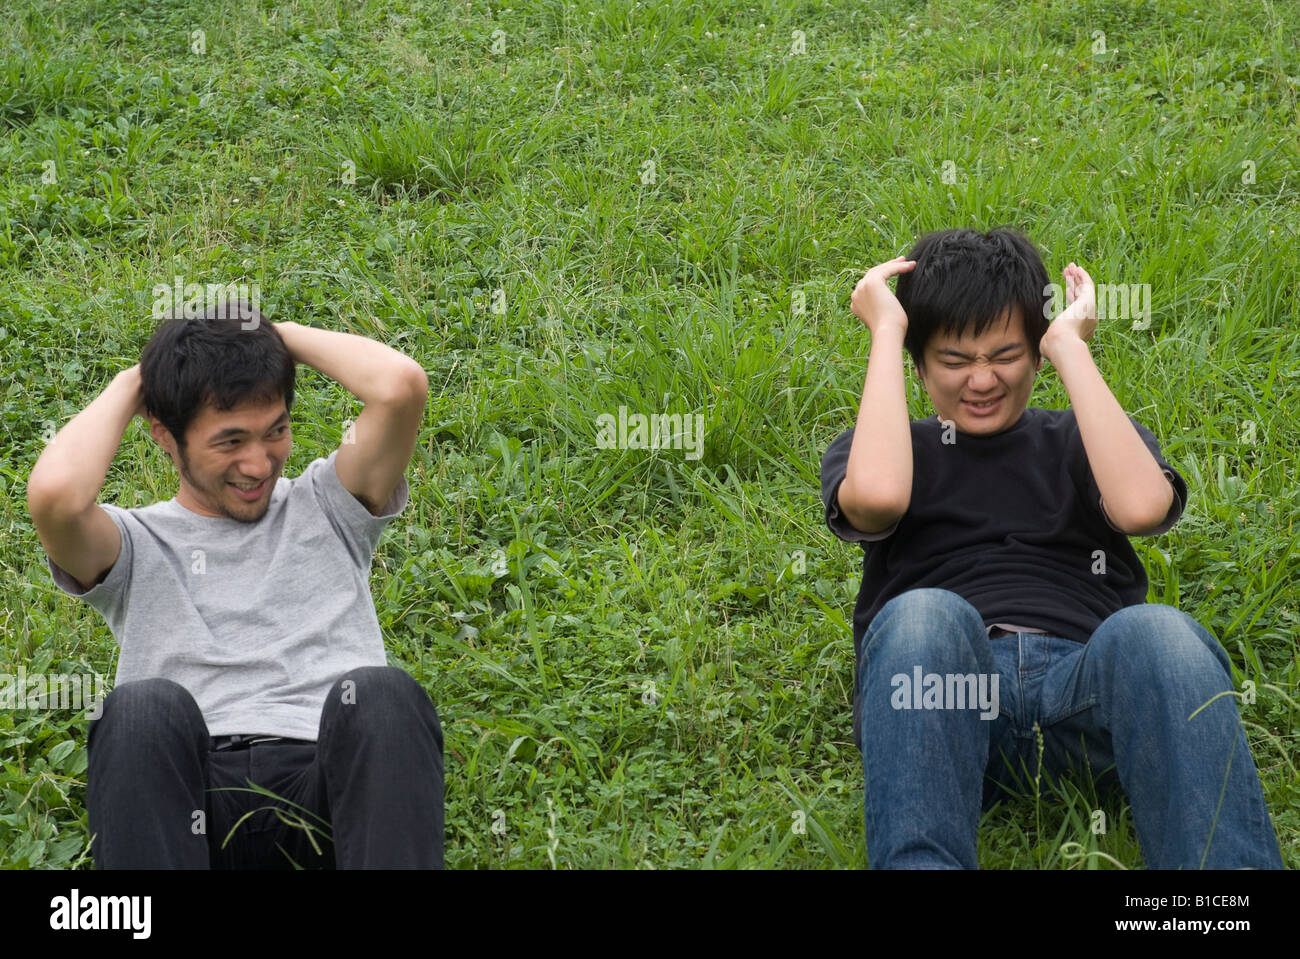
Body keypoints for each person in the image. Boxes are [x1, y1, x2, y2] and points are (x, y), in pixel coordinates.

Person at [819, 227, 1284, 869]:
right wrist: (886, 332)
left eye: (1005, 355)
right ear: (919, 364)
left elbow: (1143, 509)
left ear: (1035, 355)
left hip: (1086, 698)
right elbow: (876, 499)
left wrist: (1070, 349)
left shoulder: (1080, 438)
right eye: (954, 361)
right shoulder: (889, 446)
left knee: (1161, 635)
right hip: (946, 710)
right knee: (925, 614)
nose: (981, 380)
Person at [26, 301, 443, 868]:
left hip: (328, 794)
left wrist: (268, 336)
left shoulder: (330, 504)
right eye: (229, 441)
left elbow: (400, 387)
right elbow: (56, 497)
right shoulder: (133, 544)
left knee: (383, 694)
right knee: (139, 708)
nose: (258, 463)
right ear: (166, 439)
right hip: (187, 805)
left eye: (275, 431)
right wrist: (138, 378)